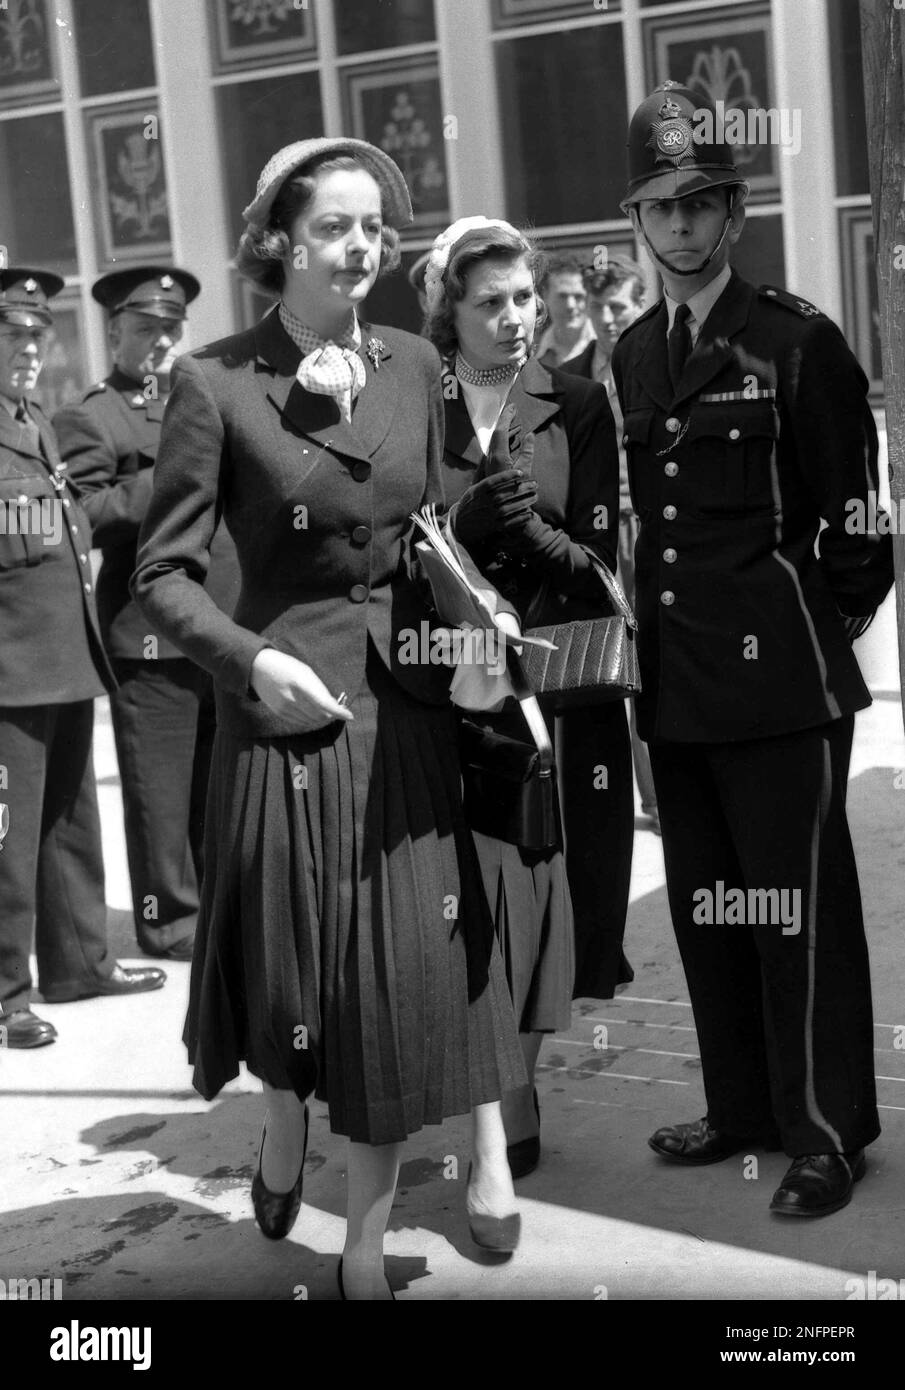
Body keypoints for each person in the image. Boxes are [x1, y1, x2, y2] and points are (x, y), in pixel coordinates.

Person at [132, 138, 526, 1299]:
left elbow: (428, 525)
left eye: (374, 228)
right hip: (283, 725)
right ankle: (282, 1118)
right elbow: (161, 575)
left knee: (391, 985)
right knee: (296, 983)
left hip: (398, 718)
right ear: (279, 245)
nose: (361, 247)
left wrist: (477, 615)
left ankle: (361, 1236)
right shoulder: (215, 382)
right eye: (334, 229)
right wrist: (248, 662)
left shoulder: (411, 362)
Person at [613, 82, 894, 1217]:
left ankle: (824, 1130)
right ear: (634, 220)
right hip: (675, 692)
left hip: (781, 694)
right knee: (707, 909)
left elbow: (859, 526)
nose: (679, 227)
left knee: (796, 915)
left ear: (732, 215)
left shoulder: (793, 340)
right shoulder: (631, 355)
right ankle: (739, 1109)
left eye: (700, 204)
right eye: (658, 207)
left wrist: (810, 635)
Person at [423, 215, 629, 1174]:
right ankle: (501, 1097)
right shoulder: (410, 403)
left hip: (558, 688)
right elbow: (387, 546)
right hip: (450, 690)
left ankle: (519, 1074)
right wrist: (463, 524)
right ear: (447, 312)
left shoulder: (577, 403)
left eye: (524, 299)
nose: (514, 318)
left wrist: (541, 542)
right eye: (490, 302)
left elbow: (604, 564)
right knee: (474, 898)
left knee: (563, 899)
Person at [54, 268, 241, 963]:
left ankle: (219, 910)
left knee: (217, 787)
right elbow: (86, 514)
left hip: (216, 621)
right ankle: (168, 923)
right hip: (147, 634)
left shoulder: (205, 398)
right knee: (160, 797)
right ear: (113, 331)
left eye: (171, 328)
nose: (162, 342)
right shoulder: (92, 415)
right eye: (146, 328)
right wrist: (167, 469)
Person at [0, 268, 165, 1049]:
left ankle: (79, 965)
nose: (29, 349)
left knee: (70, 821)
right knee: (7, 834)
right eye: (11, 334)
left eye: (38, 335)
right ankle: (6, 995)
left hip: (61, 654)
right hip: (6, 668)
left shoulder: (30, 421)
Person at [561, 256, 659, 833]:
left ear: (638, 304)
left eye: (617, 306)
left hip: (647, 528)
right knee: (604, 668)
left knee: (653, 660)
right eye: (597, 307)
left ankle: (661, 796)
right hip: (592, 536)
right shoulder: (569, 374)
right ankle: (608, 800)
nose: (605, 318)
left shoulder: (657, 364)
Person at [535, 256, 594, 368]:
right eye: (562, 296)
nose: (570, 305)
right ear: (545, 296)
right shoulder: (529, 353)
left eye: (578, 296)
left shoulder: (607, 346)